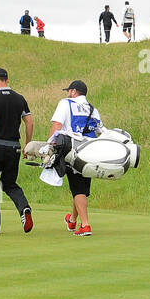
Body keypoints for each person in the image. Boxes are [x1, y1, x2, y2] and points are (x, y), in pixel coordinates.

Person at [0, 68, 34, 235]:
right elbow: (29, 122)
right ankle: (24, 208)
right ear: (7, 79)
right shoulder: (20, 99)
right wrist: (27, 144)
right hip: (14, 148)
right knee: (9, 183)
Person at [50, 79, 104, 237]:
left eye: (69, 91)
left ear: (73, 92)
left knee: (78, 189)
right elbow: (101, 131)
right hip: (91, 153)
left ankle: (85, 225)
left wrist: (50, 146)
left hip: (72, 151)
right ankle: (72, 220)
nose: (68, 93)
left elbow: (57, 126)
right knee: (80, 188)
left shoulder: (65, 103)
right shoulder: (93, 110)